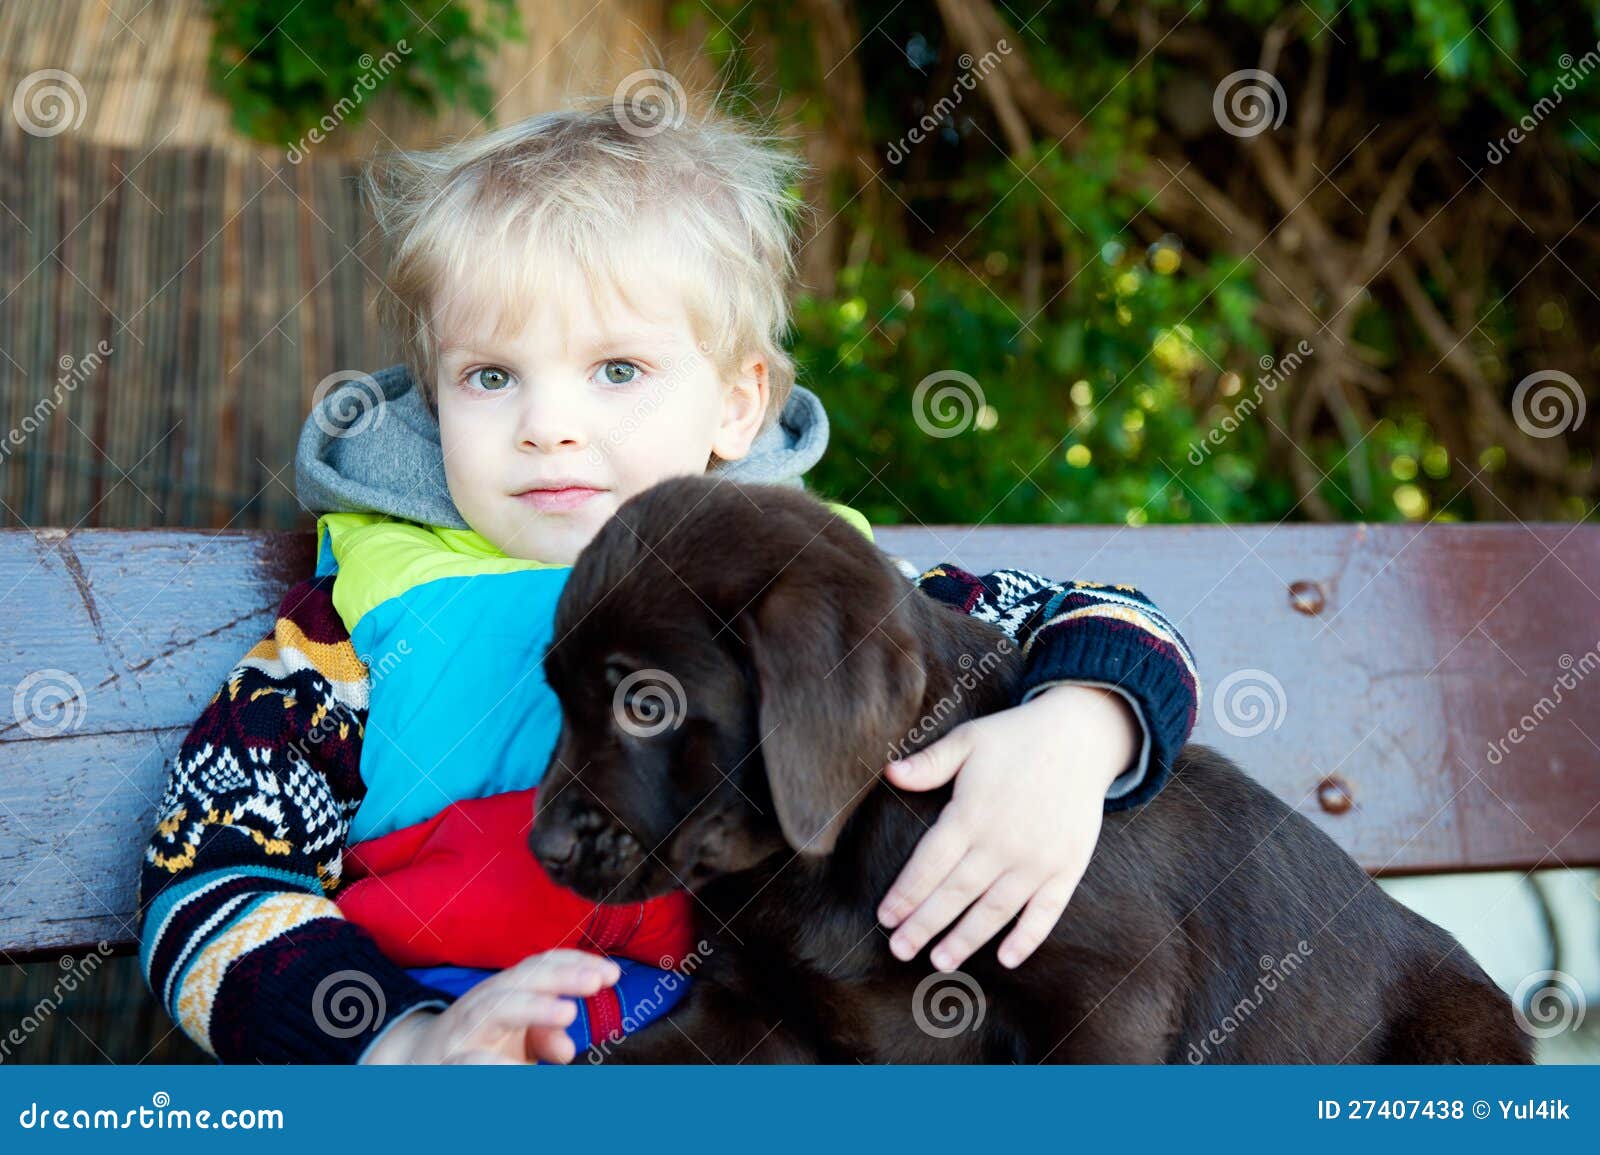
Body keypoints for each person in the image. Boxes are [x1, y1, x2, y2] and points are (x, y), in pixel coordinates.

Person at [137, 95, 1200, 1065]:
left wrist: (1076, 733)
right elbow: (214, 882)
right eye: (490, 376)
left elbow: (1096, 620)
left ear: (737, 405)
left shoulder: (808, 585)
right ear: (432, 398)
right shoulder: (342, 642)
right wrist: (398, 1043)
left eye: (617, 371)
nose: (548, 425)